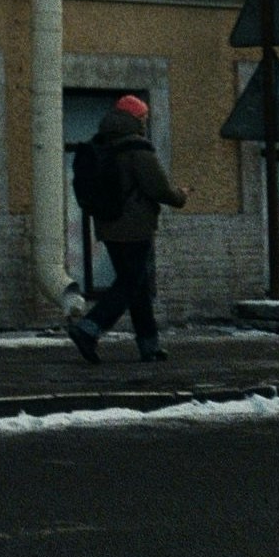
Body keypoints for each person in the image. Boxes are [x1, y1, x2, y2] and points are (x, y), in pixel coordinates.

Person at [69, 94, 188, 364]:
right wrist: (180, 195)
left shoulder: (101, 143)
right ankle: (89, 328)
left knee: (138, 285)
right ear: (136, 118)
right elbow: (158, 188)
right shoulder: (137, 148)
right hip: (135, 227)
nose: (146, 121)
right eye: (144, 117)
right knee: (130, 283)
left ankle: (149, 345)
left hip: (107, 225)